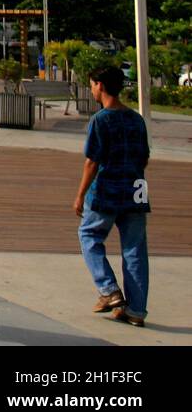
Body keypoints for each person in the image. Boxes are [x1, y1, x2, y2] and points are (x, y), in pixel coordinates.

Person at [74, 65, 150, 327]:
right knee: (135, 249)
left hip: (107, 190)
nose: (92, 89)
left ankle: (109, 290)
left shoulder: (101, 120)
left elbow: (92, 162)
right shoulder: (136, 119)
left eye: (92, 84)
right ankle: (136, 311)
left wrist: (80, 194)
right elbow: (145, 157)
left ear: (101, 86)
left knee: (89, 235)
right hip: (136, 191)